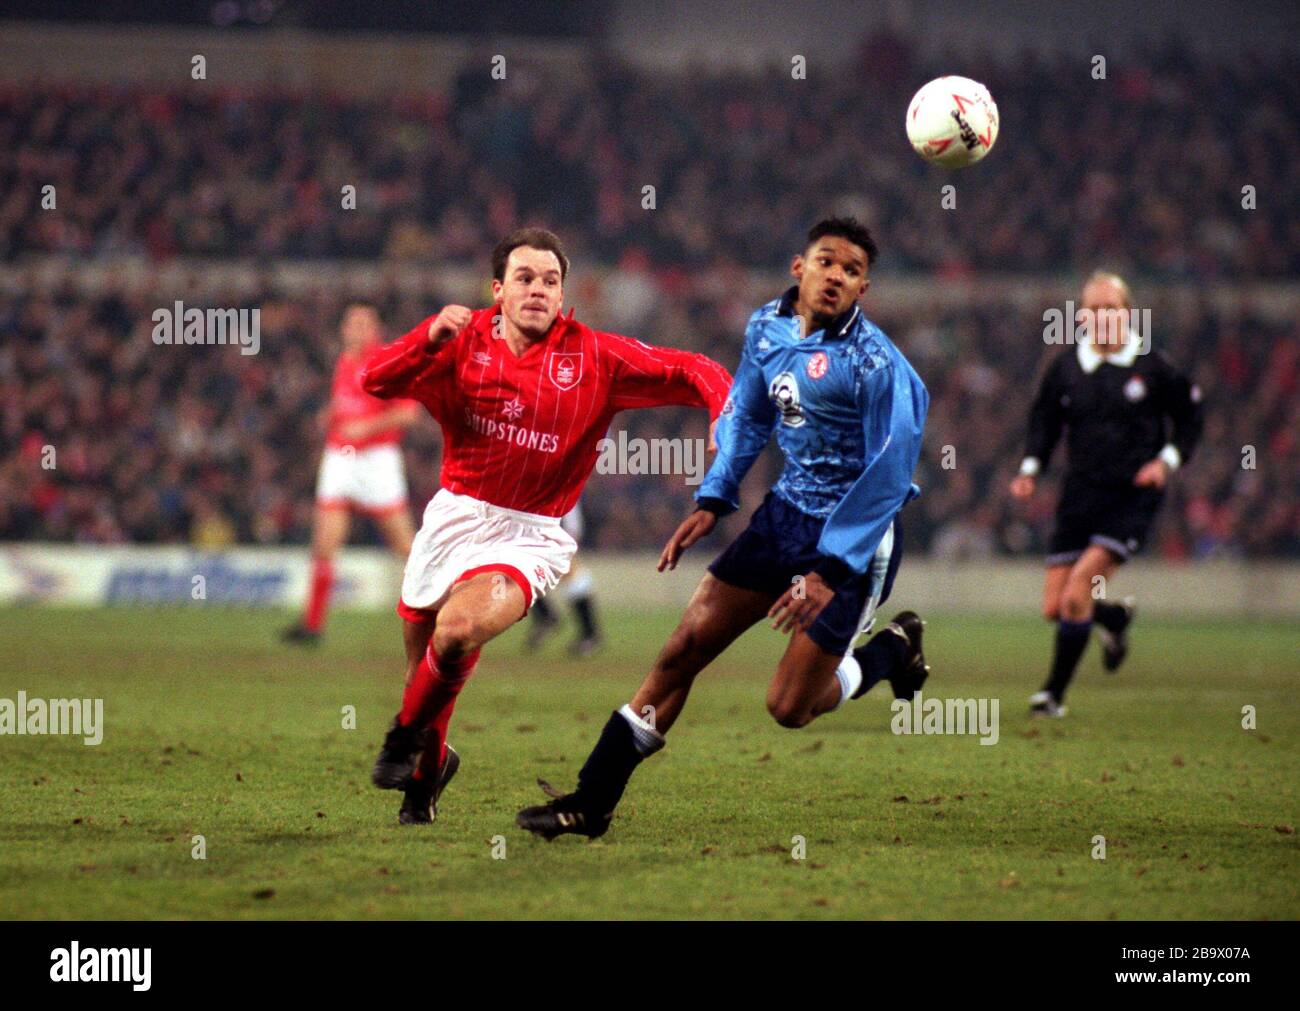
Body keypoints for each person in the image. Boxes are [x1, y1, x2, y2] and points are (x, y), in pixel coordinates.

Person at [515, 217, 931, 841]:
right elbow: (749, 413)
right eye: (827, 262)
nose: (836, 277)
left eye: (852, 271)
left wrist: (831, 570)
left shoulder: (876, 365)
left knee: (790, 708)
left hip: (853, 542)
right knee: (682, 649)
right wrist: (715, 495)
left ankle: (892, 651)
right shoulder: (767, 327)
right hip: (783, 518)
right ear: (800, 267)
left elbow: (890, 474)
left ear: (863, 289)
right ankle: (592, 801)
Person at [362, 227, 733, 825]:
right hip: (453, 517)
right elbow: (374, 380)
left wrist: (726, 416)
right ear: (497, 290)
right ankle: (428, 774)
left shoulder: (593, 356)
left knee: (456, 633)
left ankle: (404, 734)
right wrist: (424, 337)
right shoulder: (461, 342)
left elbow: (694, 368)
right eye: (525, 278)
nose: (538, 290)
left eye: (550, 281)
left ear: (564, 293)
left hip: (530, 532)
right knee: (424, 670)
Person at [1009, 272, 1203, 717]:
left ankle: (1052, 696)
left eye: (1109, 309)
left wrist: (1167, 461)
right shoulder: (1067, 367)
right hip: (1079, 495)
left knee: (1079, 591)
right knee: (1054, 606)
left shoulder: (1153, 367)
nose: (1101, 317)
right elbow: (1044, 422)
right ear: (1080, 317)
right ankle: (1112, 618)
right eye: (1092, 310)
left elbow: (1192, 416)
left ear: (1127, 314)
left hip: (1130, 497)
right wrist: (1030, 469)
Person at [282, 304, 419, 645]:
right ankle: (312, 626)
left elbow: (408, 414)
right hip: (340, 457)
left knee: (406, 547)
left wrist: (367, 427)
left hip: (377, 460)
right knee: (324, 545)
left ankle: (438, 617)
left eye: (363, 324)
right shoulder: (344, 361)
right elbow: (346, 402)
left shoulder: (388, 361)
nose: (356, 330)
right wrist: (329, 416)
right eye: (351, 324)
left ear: (376, 329)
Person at [525, 501, 603, 655]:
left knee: (572, 577)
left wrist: (571, 534)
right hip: (541, 526)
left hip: (555, 527)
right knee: (526, 571)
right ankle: (547, 617)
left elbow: (569, 501)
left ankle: (589, 634)